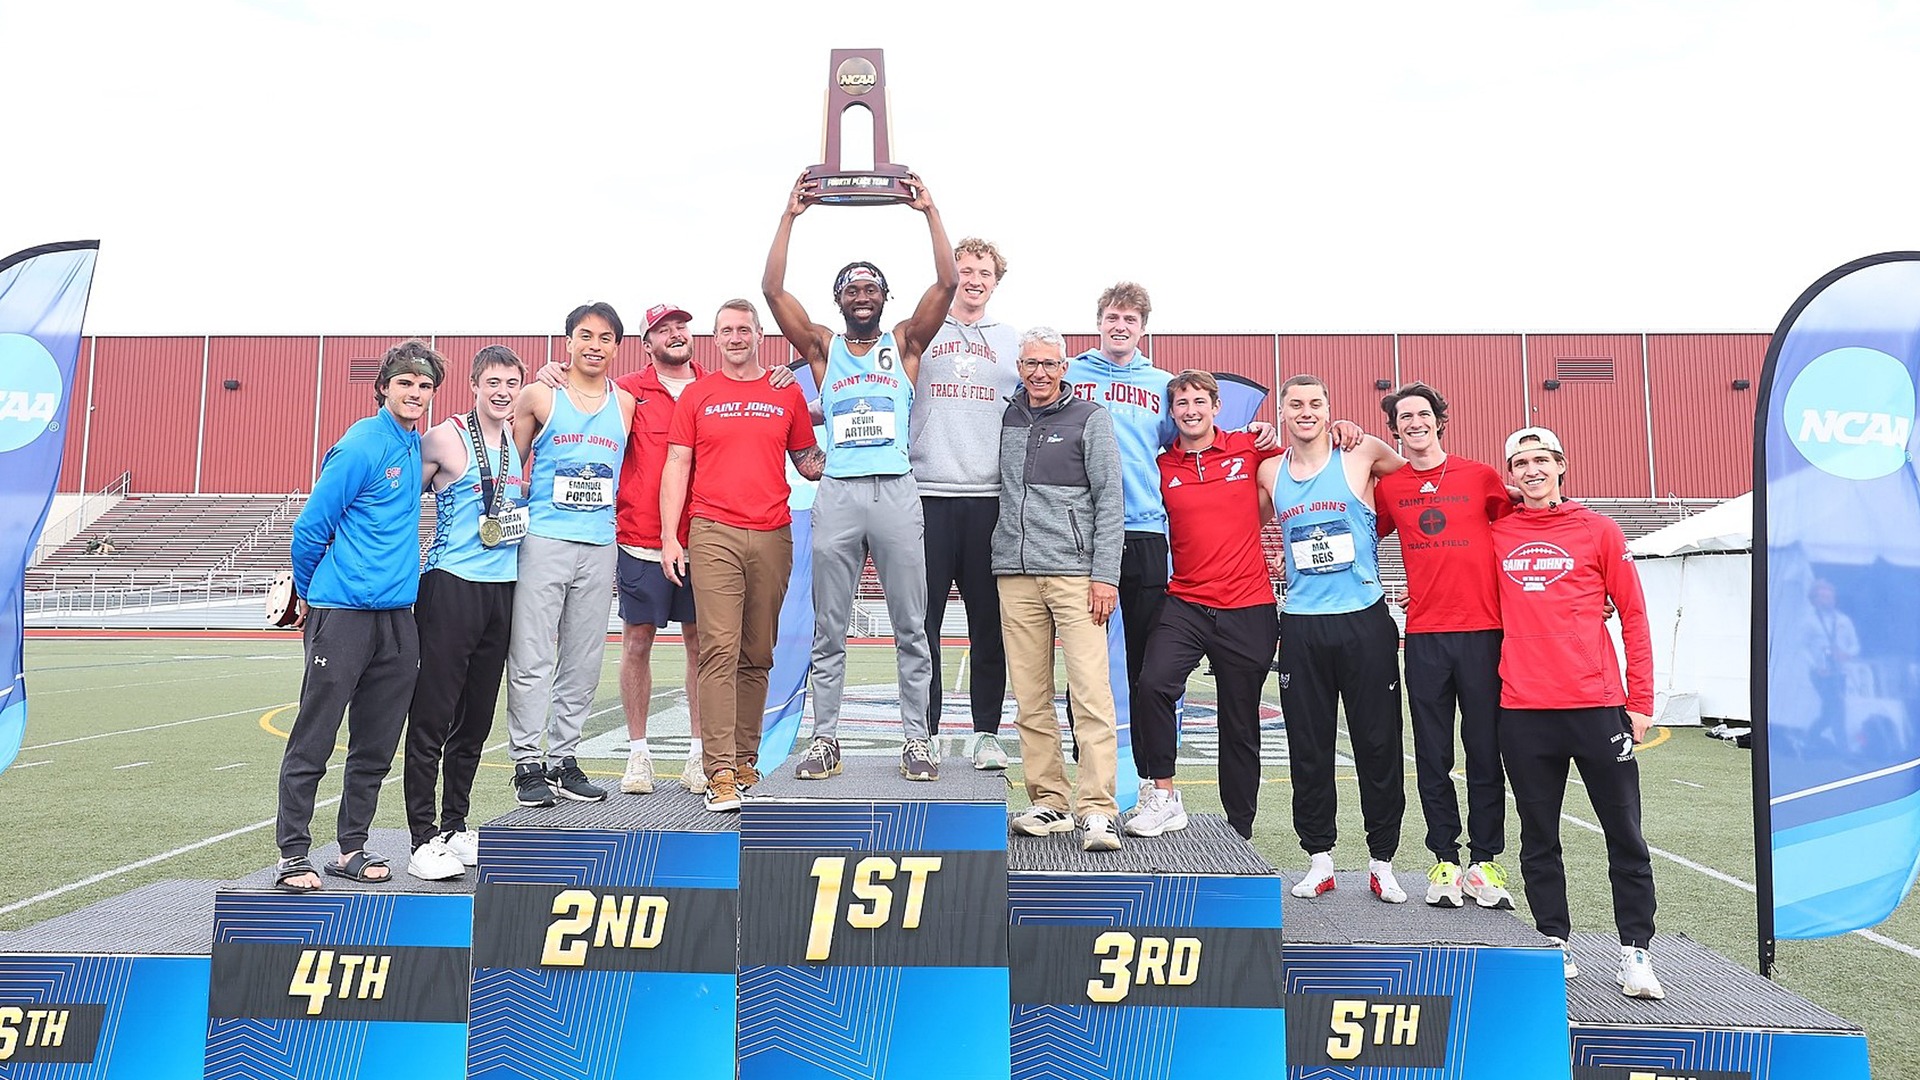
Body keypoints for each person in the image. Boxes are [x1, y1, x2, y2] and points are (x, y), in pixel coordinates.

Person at [763, 170, 957, 781]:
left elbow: (948, 282)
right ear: (840, 298)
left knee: (911, 625)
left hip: (897, 491)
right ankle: (825, 739)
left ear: (885, 297)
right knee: (830, 628)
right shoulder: (822, 349)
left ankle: (916, 740)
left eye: (872, 286)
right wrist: (790, 215)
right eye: (852, 287)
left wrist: (928, 211)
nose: (862, 293)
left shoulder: (903, 344)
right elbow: (772, 291)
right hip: (840, 493)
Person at [1493, 426, 1664, 999]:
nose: (1532, 470)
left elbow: (1635, 616)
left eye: (1542, 460)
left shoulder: (1599, 530)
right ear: (1510, 474)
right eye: (1521, 462)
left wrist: (1639, 702)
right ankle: (1554, 942)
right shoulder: (1498, 532)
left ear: (1562, 466)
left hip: (1596, 707)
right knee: (1539, 836)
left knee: (1625, 834)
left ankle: (1635, 953)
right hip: (1522, 710)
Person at [274, 340, 442, 893]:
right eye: (405, 384)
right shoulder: (361, 445)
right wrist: (307, 594)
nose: (415, 393)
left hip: (398, 616)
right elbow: (309, 529)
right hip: (342, 612)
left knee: (375, 742)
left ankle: (351, 847)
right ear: (384, 388)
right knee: (316, 734)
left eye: (424, 386)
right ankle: (292, 854)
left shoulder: (415, 445)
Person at [659, 300, 825, 811]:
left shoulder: (786, 391)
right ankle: (719, 772)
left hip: (774, 532)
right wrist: (671, 536)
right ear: (715, 338)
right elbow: (676, 463)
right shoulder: (698, 394)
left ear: (759, 335)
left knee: (759, 652)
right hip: (713, 532)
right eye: (726, 330)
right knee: (719, 649)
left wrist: (855, 425)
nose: (735, 337)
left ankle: (746, 760)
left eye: (744, 329)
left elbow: (809, 462)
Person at [1258, 374, 1409, 903]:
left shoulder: (1361, 451)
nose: (1306, 412)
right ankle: (1319, 857)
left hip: (1363, 619)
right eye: (1295, 405)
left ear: (1329, 410)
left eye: (1316, 404)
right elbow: (1238, 520)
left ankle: (1382, 859)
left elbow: (1415, 474)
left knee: (1378, 742)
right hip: (1300, 624)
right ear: (1283, 413)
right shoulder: (1269, 470)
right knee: (1309, 746)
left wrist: (1356, 430)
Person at [1372, 382, 1516, 909]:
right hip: (1426, 636)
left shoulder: (1480, 477)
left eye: (1422, 414)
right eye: (1404, 417)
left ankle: (1484, 862)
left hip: (1484, 634)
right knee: (1432, 754)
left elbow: (1517, 539)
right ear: (1395, 429)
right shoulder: (1390, 487)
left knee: (1484, 751)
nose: (1414, 423)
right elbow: (1366, 535)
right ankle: (1444, 859)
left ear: (1439, 420)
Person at [1128, 371, 1281, 841]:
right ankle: (1164, 796)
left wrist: (1342, 431)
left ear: (1216, 406)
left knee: (1239, 721)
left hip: (1249, 605)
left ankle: (1240, 831)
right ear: (1171, 413)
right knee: (1152, 685)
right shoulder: (1160, 465)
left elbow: (1307, 469)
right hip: (1187, 599)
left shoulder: (1249, 446)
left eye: (1199, 400)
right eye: (1181, 403)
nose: (1190, 409)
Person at [995, 327, 1126, 852]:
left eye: (1049, 364)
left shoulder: (1091, 420)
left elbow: (1110, 500)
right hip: (1015, 573)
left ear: (1064, 367)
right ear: (1019, 367)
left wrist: (1105, 575)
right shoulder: (1004, 417)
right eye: (1030, 364)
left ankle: (1097, 809)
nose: (1039, 373)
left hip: (1076, 576)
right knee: (1030, 698)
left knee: (1090, 693)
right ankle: (1050, 801)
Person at [504, 303, 636, 807]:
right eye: (585, 335)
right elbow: (510, 466)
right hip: (544, 539)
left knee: (583, 658)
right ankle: (527, 763)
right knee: (533, 653)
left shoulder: (625, 404)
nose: (595, 345)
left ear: (616, 347)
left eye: (605, 337)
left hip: (600, 543)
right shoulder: (541, 394)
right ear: (568, 342)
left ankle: (563, 758)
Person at [403, 346, 527, 881]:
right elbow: (399, 499)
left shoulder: (516, 444)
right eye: (493, 382)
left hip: (501, 591)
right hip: (450, 586)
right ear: (474, 385)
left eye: (512, 383)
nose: (503, 392)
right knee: (433, 715)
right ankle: (422, 836)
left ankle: (454, 826)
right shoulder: (444, 437)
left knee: (476, 718)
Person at [912, 237, 1022, 770]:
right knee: (923, 625)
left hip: (989, 500)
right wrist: (803, 404)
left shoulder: (1011, 343)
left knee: (988, 626)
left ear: (996, 281)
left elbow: (1049, 395)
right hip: (926, 495)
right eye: (965, 270)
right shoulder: (920, 330)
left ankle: (985, 734)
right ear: (950, 275)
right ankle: (924, 733)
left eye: (984, 272)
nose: (974, 279)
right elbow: (870, 385)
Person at [1064, 283, 1174, 707]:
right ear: (1098, 323)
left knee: (1147, 660)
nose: (1120, 326)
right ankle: (1085, 758)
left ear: (1143, 328)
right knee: (1084, 655)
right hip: (1083, 534)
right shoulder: (1071, 373)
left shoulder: (1162, 385)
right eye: (1113, 317)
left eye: (1130, 319)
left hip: (1144, 527)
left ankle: (1149, 766)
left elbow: (1186, 442)